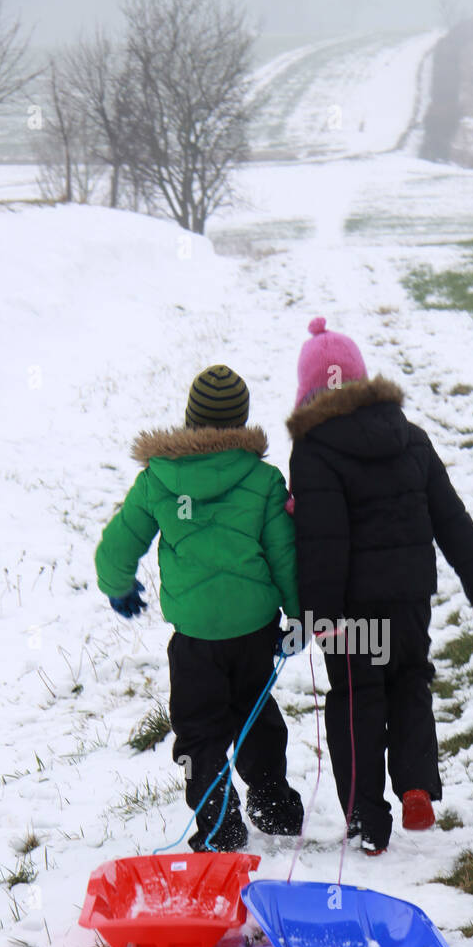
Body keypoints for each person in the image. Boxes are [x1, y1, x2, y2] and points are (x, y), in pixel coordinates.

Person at [287, 318, 473, 855]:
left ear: (308, 394)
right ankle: (414, 784)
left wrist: (316, 616)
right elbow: (450, 516)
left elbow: (322, 544)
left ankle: (366, 816)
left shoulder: (314, 452)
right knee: (410, 682)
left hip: (351, 614)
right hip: (410, 600)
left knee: (357, 698)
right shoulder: (411, 438)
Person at [95, 364, 304, 852]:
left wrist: (118, 585)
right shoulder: (263, 479)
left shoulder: (159, 481)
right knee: (256, 713)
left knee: (200, 730)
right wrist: (299, 615)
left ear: (191, 421)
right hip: (255, 631)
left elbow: (117, 547)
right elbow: (285, 555)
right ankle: (272, 801)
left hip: (194, 641)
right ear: (242, 422)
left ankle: (218, 822)